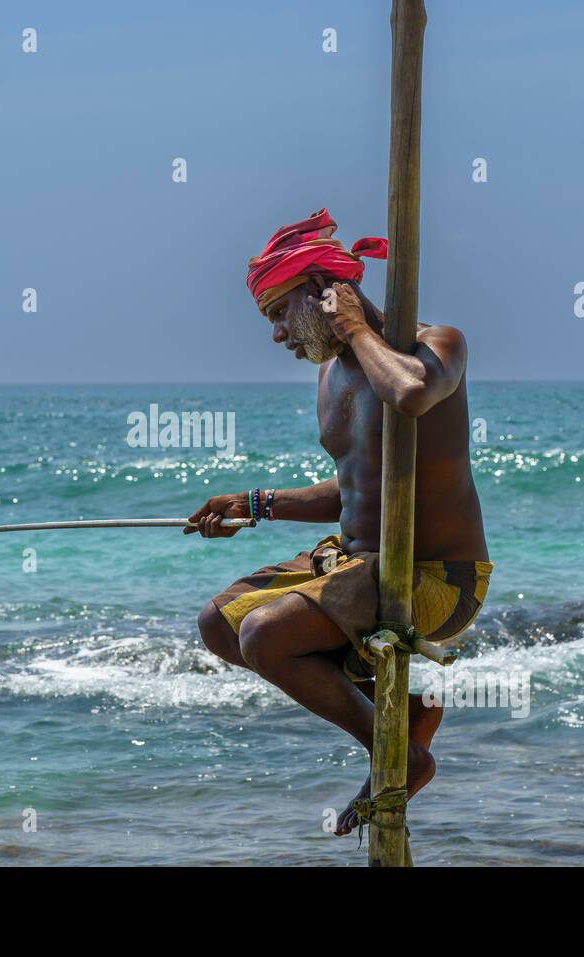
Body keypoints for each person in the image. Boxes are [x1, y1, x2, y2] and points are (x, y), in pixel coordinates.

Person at [189, 209, 491, 836]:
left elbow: (410, 392)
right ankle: (405, 713)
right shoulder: (330, 373)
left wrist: (356, 329)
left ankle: (402, 755)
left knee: (267, 636)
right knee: (221, 623)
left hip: (436, 579)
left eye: (278, 313)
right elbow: (352, 490)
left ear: (327, 294)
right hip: (357, 564)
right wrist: (256, 503)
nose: (275, 335)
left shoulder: (438, 345)